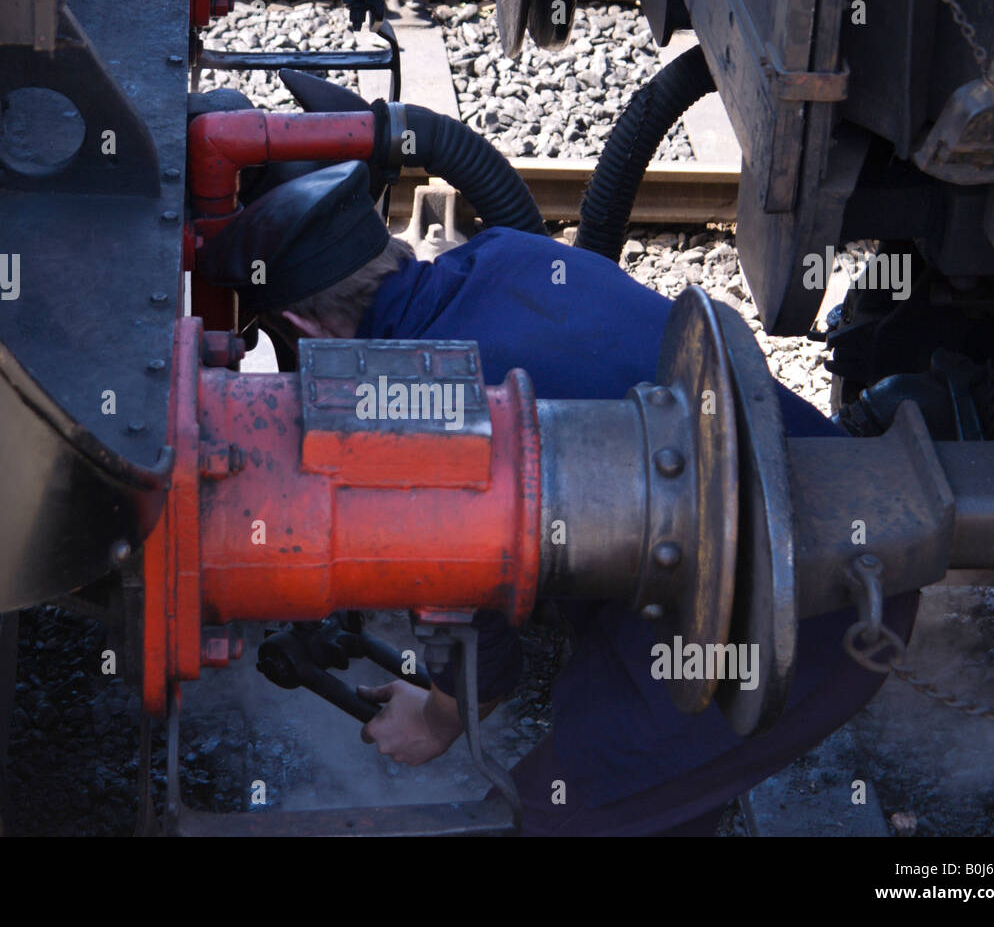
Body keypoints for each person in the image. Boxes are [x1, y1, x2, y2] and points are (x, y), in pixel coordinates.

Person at [200, 159, 919, 836]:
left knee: (553, 812)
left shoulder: (419, 407)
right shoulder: (507, 251)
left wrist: (436, 717)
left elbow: (485, 661)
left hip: (805, 610)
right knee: (634, 762)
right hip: (840, 498)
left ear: (302, 327)